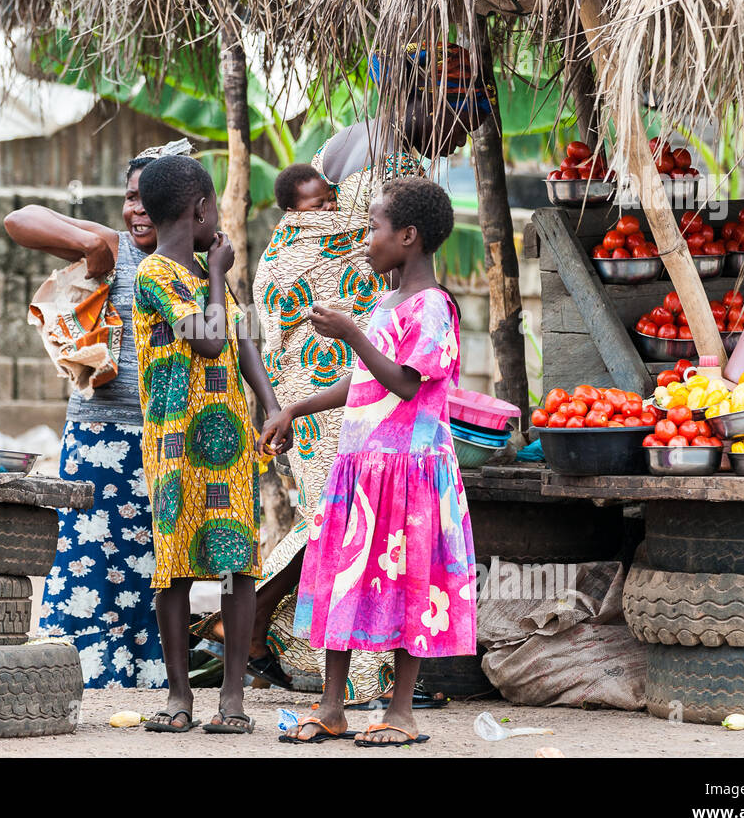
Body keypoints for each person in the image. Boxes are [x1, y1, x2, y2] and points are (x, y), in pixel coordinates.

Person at [193, 42, 492, 704]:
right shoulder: (398, 165)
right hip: (334, 352)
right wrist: (354, 333)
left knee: (336, 512)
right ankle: (353, 676)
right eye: (462, 110)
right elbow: (326, 243)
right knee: (344, 516)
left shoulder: (343, 142)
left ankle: (255, 629)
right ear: (426, 99)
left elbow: (306, 238)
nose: (467, 128)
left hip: (322, 348)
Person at [263, 177, 477, 746]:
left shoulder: (435, 308)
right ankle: (332, 706)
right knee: (341, 578)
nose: (367, 238)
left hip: (410, 473)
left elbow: (405, 385)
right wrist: (297, 407)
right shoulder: (387, 301)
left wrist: (352, 332)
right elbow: (365, 383)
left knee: (411, 583)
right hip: (361, 468)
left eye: (376, 228)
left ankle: (401, 711)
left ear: (408, 236)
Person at [3, 138, 190, 689]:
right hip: (99, 435)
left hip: (169, 438)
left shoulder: (198, 264)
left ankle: (153, 679)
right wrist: (90, 242)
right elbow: (19, 219)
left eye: (151, 199)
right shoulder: (115, 248)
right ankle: (77, 674)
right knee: (88, 559)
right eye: (130, 197)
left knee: (158, 566)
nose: (137, 210)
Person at [132, 154, 280, 734]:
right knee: (174, 568)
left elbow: (242, 342)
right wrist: (218, 271)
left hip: (229, 446)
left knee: (237, 566)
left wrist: (272, 409)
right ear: (198, 210)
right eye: (212, 206)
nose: (216, 217)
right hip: (175, 447)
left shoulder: (202, 277)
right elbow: (210, 341)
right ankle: (179, 697)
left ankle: (233, 699)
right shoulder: (157, 275)